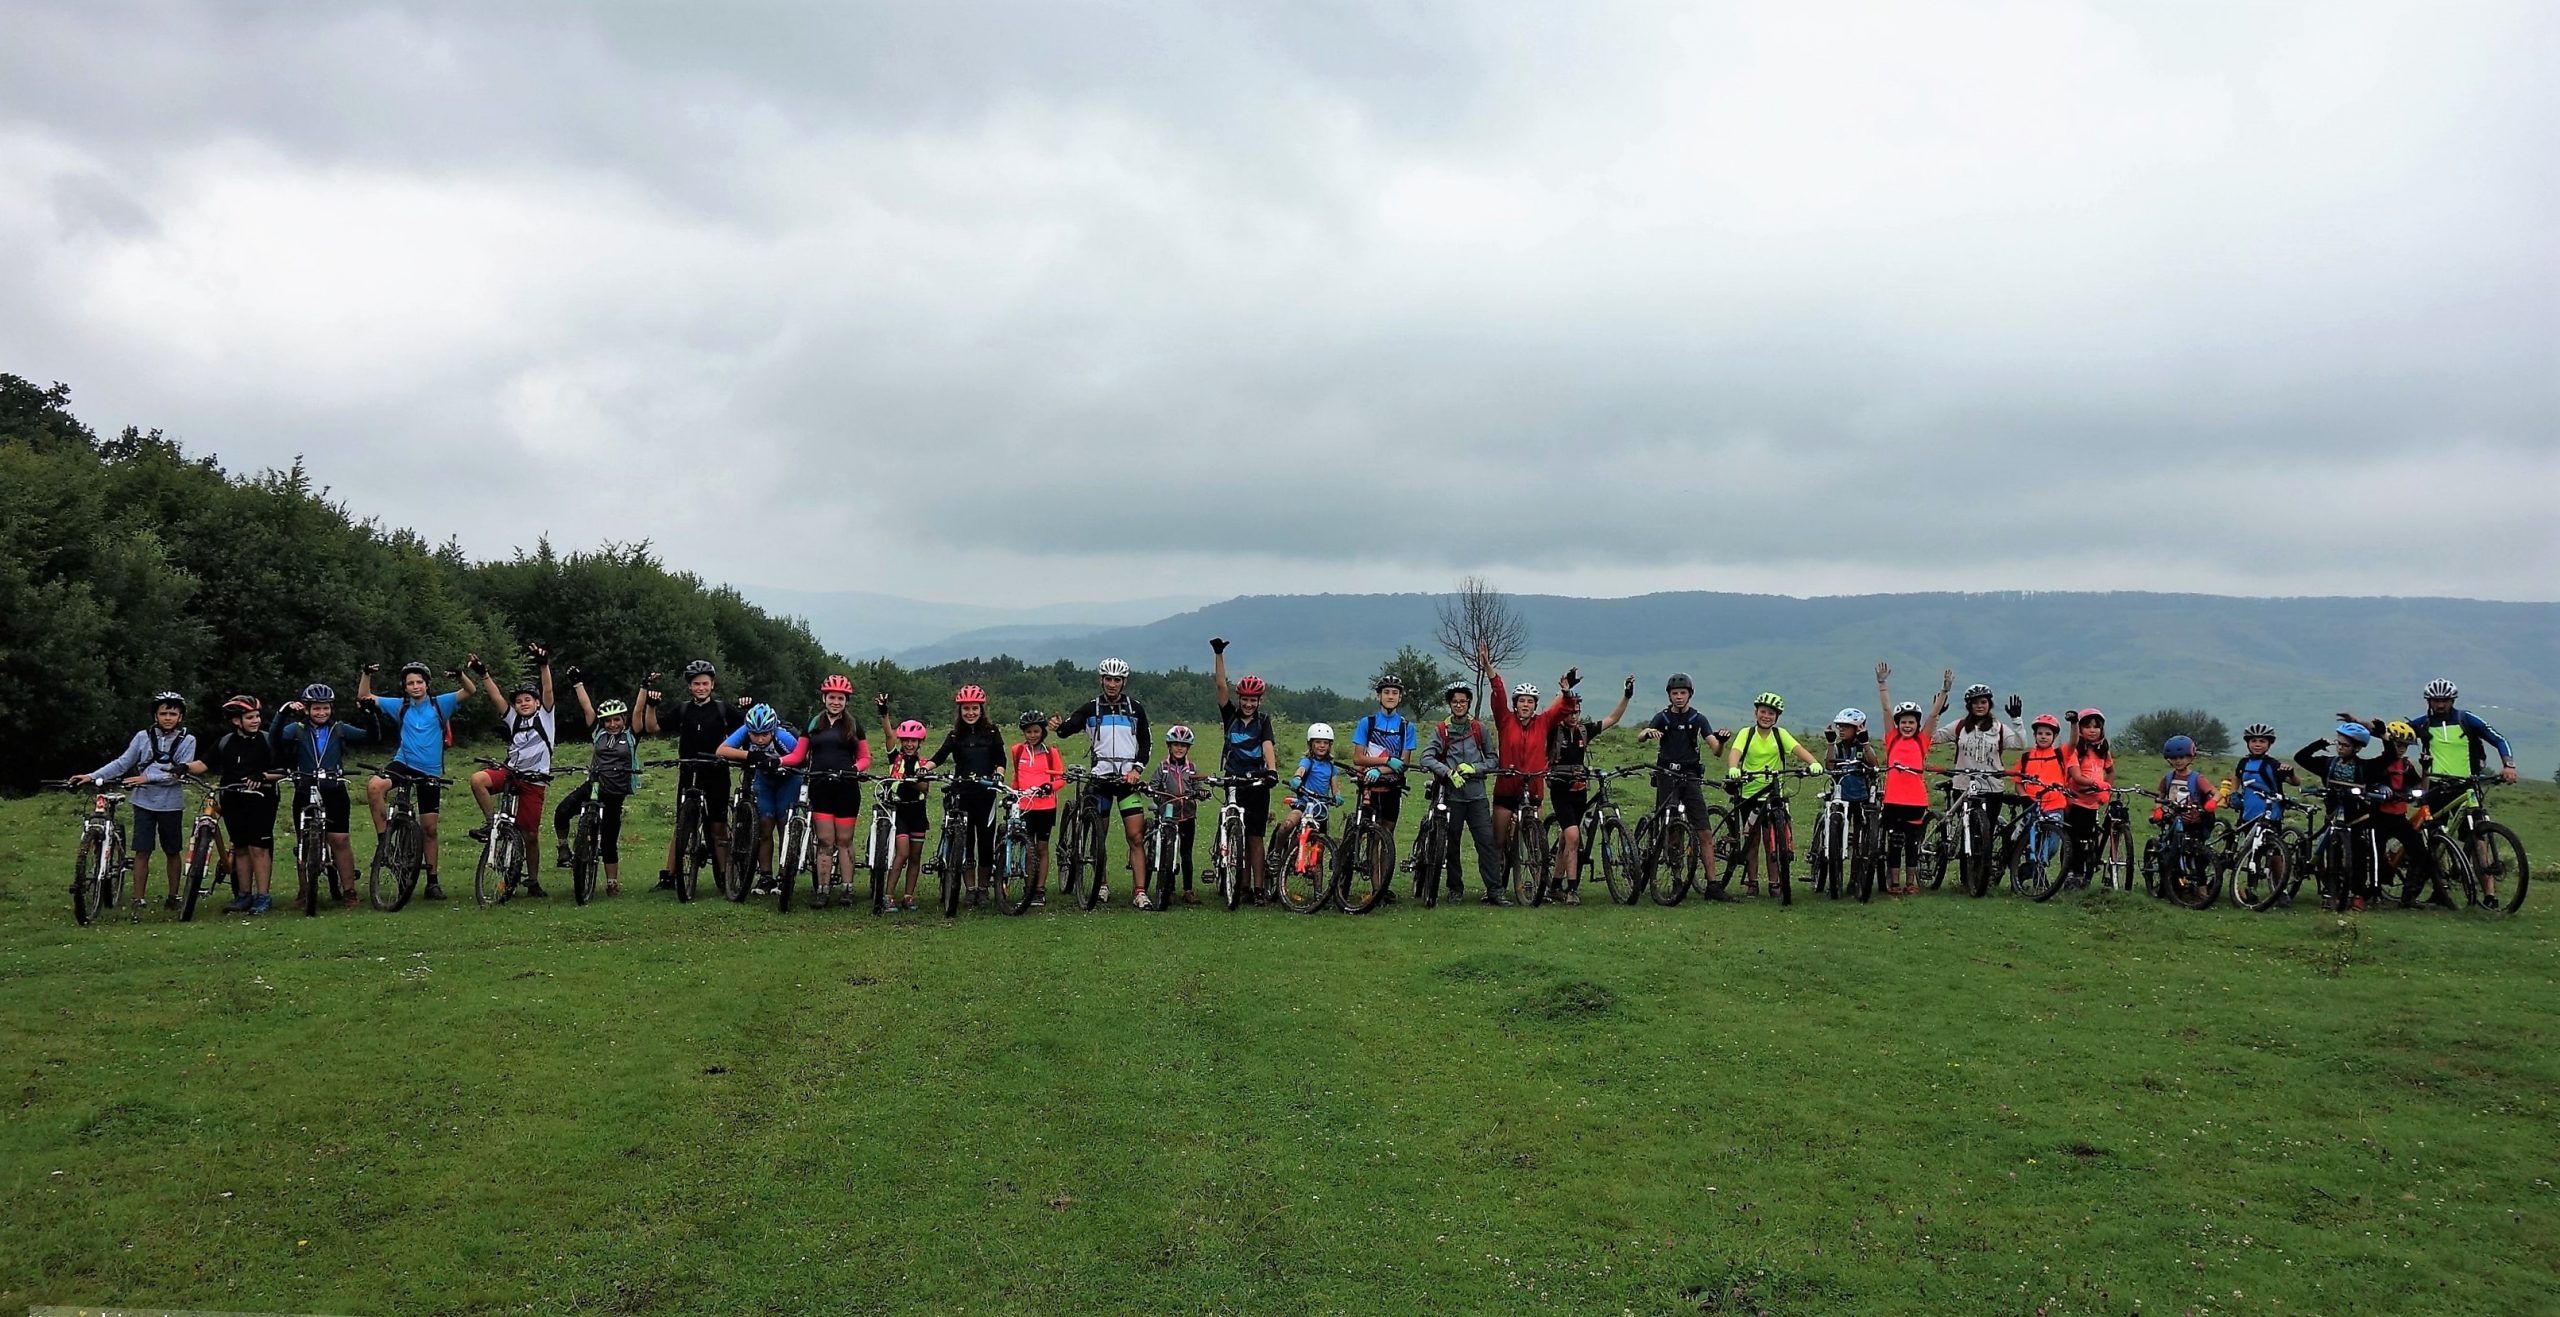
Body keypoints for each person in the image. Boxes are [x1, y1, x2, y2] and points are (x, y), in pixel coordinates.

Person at [2368, 679, 2521, 902]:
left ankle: (2489, 895)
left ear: (2453, 700)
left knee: (2480, 838)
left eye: (2445, 700)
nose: (2441, 705)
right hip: (2437, 786)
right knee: (2432, 836)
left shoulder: (2466, 719)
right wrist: (2362, 726)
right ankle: (2435, 888)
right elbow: (2394, 734)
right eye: (2436, 700)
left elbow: (2498, 739)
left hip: (2468, 784)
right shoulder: (2422, 725)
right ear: (2429, 701)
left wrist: (2509, 765)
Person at [74, 692, 208, 912]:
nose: (168, 718)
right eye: (163, 713)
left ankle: (173, 895)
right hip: (143, 802)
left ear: (180, 717)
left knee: (172, 850)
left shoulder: (188, 740)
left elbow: (180, 772)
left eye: (173, 714)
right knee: (142, 850)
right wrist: (91, 775)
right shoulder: (142, 737)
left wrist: (147, 777)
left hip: (171, 804)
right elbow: (123, 762)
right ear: (155, 716)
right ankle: (138, 898)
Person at [357, 659, 470, 900]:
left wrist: (461, 676)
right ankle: (384, 842)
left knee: (429, 828)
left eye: (419, 682)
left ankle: (432, 881)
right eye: (410, 683)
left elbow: (470, 691)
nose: (415, 686)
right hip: (403, 763)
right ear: (405, 687)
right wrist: (366, 673)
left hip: (430, 770)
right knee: (374, 786)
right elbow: (364, 696)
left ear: (427, 684)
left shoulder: (442, 704)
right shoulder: (400, 706)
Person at [2294, 721, 2431, 911]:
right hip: (2334, 812)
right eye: (2339, 744)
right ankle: (2331, 891)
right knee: (2333, 851)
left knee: (2357, 853)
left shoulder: (2365, 768)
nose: (2341, 748)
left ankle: (2358, 893)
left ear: (2357, 748)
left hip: (2356, 816)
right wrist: (2320, 743)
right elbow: (2300, 758)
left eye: (2346, 745)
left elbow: (2389, 756)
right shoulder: (2327, 764)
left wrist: (2383, 735)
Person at [1053, 658, 1152, 907]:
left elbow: (1146, 743)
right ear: (1101, 680)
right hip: (1100, 780)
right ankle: (1102, 885)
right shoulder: (1091, 708)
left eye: (1116, 680)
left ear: (1123, 682)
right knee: (1099, 836)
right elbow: (1069, 728)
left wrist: (1137, 770)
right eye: (1108, 679)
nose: (1112, 684)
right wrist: (1058, 727)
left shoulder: (1135, 709)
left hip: (1127, 780)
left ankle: (1140, 892)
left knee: (1136, 837)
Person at [554, 667, 656, 897]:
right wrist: (577, 683)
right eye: (608, 720)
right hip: (595, 784)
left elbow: (639, 709)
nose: (612, 724)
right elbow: (586, 707)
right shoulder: (598, 734)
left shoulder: (630, 736)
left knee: (609, 840)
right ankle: (563, 848)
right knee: (561, 811)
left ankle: (612, 882)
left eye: (616, 720)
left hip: (615, 791)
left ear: (623, 719)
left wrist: (644, 686)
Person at [466, 647, 558, 897]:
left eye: (528, 699)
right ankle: (491, 823)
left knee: (530, 835)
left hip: (535, 781)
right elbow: (496, 697)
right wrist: (483, 673)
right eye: (518, 701)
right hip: (511, 773)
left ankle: (534, 880)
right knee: (477, 780)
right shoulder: (513, 719)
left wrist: (543, 665)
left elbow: (548, 690)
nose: (523, 703)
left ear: (537, 702)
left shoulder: (546, 717)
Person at [275, 683, 375, 909]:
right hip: (305, 788)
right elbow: (274, 738)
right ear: (307, 709)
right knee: (303, 842)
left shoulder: (338, 729)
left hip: (334, 789)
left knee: (340, 840)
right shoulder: (298, 729)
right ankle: (304, 891)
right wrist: (283, 713)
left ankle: (349, 890)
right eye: (316, 708)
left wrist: (369, 714)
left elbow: (371, 736)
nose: (321, 713)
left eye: (326, 708)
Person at [775, 674, 870, 906]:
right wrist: (777, 761)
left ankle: (847, 889)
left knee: (845, 840)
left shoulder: (854, 725)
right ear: (824, 698)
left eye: (840, 698)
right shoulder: (813, 723)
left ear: (846, 701)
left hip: (846, 787)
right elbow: (799, 755)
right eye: (832, 697)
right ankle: (823, 890)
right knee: (826, 841)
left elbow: (865, 757)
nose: (836, 702)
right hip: (820, 786)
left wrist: (854, 769)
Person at [656, 660, 747, 894]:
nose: (700, 688)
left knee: (717, 827)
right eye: (696, 684)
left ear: (712, 685)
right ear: (690, 687)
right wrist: (649, 704)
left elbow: (747, 728)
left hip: (716, 773)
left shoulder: (722, 708)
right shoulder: (683, 709)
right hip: (689, 772)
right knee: (682, 825)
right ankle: (669, 876)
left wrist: (746, 709)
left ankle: (726, 875)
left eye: (705, 684)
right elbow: (654, 726)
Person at [1482, 645, 1575, 871]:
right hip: (1506, 787)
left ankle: (1535, 879)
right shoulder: (1505, 720)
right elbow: (1498, 695)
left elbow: (1564, 709)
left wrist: (1566, 692)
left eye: (1530, 701)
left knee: (1536, 841)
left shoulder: (1543, 722)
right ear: (1515, 704)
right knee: (1499, 841)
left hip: (1533, 786)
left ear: (1535, 705)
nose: (1525, 705)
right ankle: (1496, 881)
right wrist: (1488, 668)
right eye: (1522, 701)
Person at [1724, 691, 1826, 895]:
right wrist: (1733, 768)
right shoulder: (1747, 733)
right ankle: (1752, 882)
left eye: (1771, 713)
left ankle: (1774, 882)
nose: (1766, 716)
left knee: (1773, 839)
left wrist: (1814, 763)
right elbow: (1735, 751)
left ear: (1776, 716)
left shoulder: (1780, 735)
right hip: (1750, 793)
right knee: (1752, 841)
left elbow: (1798, 749)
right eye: (1763, 712)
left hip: (1774, 794)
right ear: (1756, 713)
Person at [1635, 673, 1724, 893]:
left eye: (1682, 693)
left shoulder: (1698, 719)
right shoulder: (1663, 718)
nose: (1679, 697)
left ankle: (1713, 884)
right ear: (1669, 696)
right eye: (1675, 693)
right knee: (1671, 828)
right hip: (1666, 775)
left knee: (1704, 831)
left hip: (1690, 776)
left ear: (1690, 694)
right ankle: (1675, 877)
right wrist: (1647, 733)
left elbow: (1715, 749)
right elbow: (1640, 735)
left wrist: (1721, 741)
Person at [1547, 677, 1634, 903]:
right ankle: (1572, 890)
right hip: (1560, 789)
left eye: (1576, 712)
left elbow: (1612, 719)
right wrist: (1565, 691)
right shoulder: (1553, 731)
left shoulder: (1585, 731)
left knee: (1567, 840)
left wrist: (1627, 695)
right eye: (1569, 712)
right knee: (1574, 837)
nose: (1573, 716)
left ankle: (1555, 885)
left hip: (1580, 790)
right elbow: (1549, 712)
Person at [1419, 679, 1506, 904]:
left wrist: (1475, 768)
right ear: (1450, 704)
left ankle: (1495, 890)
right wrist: (1447, 772)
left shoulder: (1480, 729)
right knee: (1451, 843)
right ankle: (1455, 889)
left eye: (1463, 701)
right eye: (1455, 701)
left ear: (1468, 703)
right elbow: (1426, 757)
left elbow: (1493, 759)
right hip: (1452, 797)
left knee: (1486, 843)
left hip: (1477, 796)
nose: (1459, 705)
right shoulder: (1441, 730)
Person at [1209, 640, 1279, 899]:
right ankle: (1239, 882)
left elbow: (1267, 745)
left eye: (1253, 700)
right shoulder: (1231, 717)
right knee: (1233, 826)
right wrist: (1219, 655)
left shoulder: (1263, 722)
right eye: (1245, 699)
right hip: (1233, 779)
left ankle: (1258, 889)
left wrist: (1271, 771)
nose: (1248, 704)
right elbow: (1219, 686)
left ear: (1259, 701)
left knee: (1255, 837)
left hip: (1257, 783)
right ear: (1239, 699)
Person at [925, 686, 1007, 907]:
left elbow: (1001, 759)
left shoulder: (992, 732)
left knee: (986, 845)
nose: (970, 713)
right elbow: (939, 757)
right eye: (966, 709)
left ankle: (983, 889)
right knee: (966, 843)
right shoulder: (954, 735)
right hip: (962, 794)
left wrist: (998, 775)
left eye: (974, 708)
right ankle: (970, 889)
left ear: (981, 709)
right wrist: (925, 768)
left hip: (986, 794)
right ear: (959, 711)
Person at [209, 695, 287, 913]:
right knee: (241, 847)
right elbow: (203, 763)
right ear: (236, 721)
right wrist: (183, 768)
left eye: (257, 716)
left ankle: (263, 896)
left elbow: (283, 771)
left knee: (258, 848)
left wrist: (263, 776)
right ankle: (244, 895)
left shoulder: (268, 740)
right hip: (233, 798)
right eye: (250, 717)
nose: (256, 720)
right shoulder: (225, 742)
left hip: (262, 800)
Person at [715, 703, 799, 895]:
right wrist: (751, 755)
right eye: (754, 735)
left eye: (765, 735)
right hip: (765, 781)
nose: (760, 739)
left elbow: (801, 757)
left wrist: (780, 763)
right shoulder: (746, 730)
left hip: (789, 781)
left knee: (784, 825)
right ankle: (766, 876)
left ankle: (784, 874)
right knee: (764, 828)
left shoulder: (783, 737)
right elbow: (721, 750)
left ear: (773, 730)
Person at [1349, 674, 1419, 899]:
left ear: (1400, 698)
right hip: (1369, 786)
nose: (1390, 696)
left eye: (1395, 693)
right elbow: (1358, 758)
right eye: (1386, 692)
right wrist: (1386, 761)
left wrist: (1383, 769)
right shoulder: (1366, 723)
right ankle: (1360, 879)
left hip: (1391, 787)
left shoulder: (1406, 726)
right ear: (1379, 696)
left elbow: (1404, 763)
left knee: (1386, 836)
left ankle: (1380, 887)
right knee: (1368, 831)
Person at [1271, 723, 1343, 898]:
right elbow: (1301, 770)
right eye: (1318, 742)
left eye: (1325, 743)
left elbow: (1335, 787)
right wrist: (1297, 778)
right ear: (1310, 744)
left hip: (1320, 810)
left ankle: (1318, 892)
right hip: (1304, 804)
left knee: (1318, 853)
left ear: (1330, 745)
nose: (1321, 746)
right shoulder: (1308, 761)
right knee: (1288, 825)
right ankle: (1276, 853)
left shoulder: (1332, 767)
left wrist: (1337, 796)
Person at [2144, 735, 2219, 894]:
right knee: (2171, 853)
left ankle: (2202, 892)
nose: (2178, 761)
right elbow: (2160, 795)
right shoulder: (2168, 778)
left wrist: (2212, 803)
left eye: (2181, 757)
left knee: (2198, 858)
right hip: (2173, 820)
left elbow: (2215, 793)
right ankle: (2170, 883)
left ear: (2190, 757)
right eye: (2173, 758)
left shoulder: (2197, 778)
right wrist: (2157, 809)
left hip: (2193, 823)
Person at [1010, 710, 1065, 905]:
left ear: (1042, 731)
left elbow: (1060, 779)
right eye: (1028, 732)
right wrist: (1012, 792)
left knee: (1041, 847)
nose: (1032, 735)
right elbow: (1018, 778)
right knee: (1027, 846)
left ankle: (1039, 889)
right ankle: (1029, 886)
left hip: (1046, 806)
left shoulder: (1052, 753)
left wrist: (1049, 787)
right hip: (1025, 806)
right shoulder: (1017, 751)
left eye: (1036, 731)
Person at [2057, 709, 2116, 884]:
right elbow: (2076, 777)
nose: (2092, 730)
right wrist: (2096, 784)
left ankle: (2082, 874)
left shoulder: (2102, 750)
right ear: (2080, 729)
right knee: (2074, 840)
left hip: (2093, 802)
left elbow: (2111, 771)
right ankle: (2069, 874)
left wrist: (2107, 789)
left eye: (2096, 727)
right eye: (2087, 726)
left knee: (2087, 839)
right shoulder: (2075, 750)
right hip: (2076, 800)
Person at [1151, 726, 1208, 905]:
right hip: (1169, 816)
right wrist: (1155, 794)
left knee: (1186, 853)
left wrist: (1201, 793)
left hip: (1188, 815)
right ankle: (1169, 888)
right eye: (1176, 744)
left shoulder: (1191, 768)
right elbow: (1153, 786)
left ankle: (1188, 889)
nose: (1179, 748)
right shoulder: (1163, 767)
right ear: (1169, 746)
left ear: (1188, 748)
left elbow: (1197, 786)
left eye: (1183, 745)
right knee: (1169, 852)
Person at [880, 719, 933, 911]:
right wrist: (884, 714)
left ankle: (908, 896)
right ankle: (888, 895)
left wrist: (912, 778)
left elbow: (925, 788)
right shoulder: (895, 758)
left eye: (913, 741)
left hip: (918, 812)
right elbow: (888, 736)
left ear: (920, 743)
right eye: (906, 741)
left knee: (915, 856)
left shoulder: (924, 764)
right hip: (900, 810)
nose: (909, 744)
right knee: (902, 853)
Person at [1822, 707, 1879, 876]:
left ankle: (1856, 875)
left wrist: (1866, 743)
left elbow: (1874, 765)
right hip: (1840, 796)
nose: (1841, 730)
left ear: (1857, 728)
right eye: (1840, 726)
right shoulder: (1838, 747)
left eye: (1846, 727)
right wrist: (1830, 743)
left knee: (1860, 840)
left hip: (1861, 798)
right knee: (1836, 834)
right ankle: (1833, 866)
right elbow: (1829, 766)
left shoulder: (1862, 747)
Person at [2010, 714, 2070, 869]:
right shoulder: (2026, 758)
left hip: (2054, 805)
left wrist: (2074, 723)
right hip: (2032, 806)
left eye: (2048, 734)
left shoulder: (2060, 755)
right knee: (2027, 841)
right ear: (2035, 735)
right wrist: (2024, 797)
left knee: (2052, 844)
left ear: (2055, 736)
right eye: (2040, 733)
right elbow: (2018, 783)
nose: (2043, 737)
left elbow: (2074, 742)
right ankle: (2026, 870)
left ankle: (2035, 868)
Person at [2228, 722, 2297, 830]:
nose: (2257, 744)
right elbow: (2237, 776)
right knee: (2248, 845)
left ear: (2269, 744)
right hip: (2248, 814)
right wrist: (2233, 793)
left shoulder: (2273, 764)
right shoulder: (2244, 762)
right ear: (2248, 743)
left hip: (2271, 816)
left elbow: (2295, 782)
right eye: (2253, 741)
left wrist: (2291, 774)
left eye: (2262, 741)